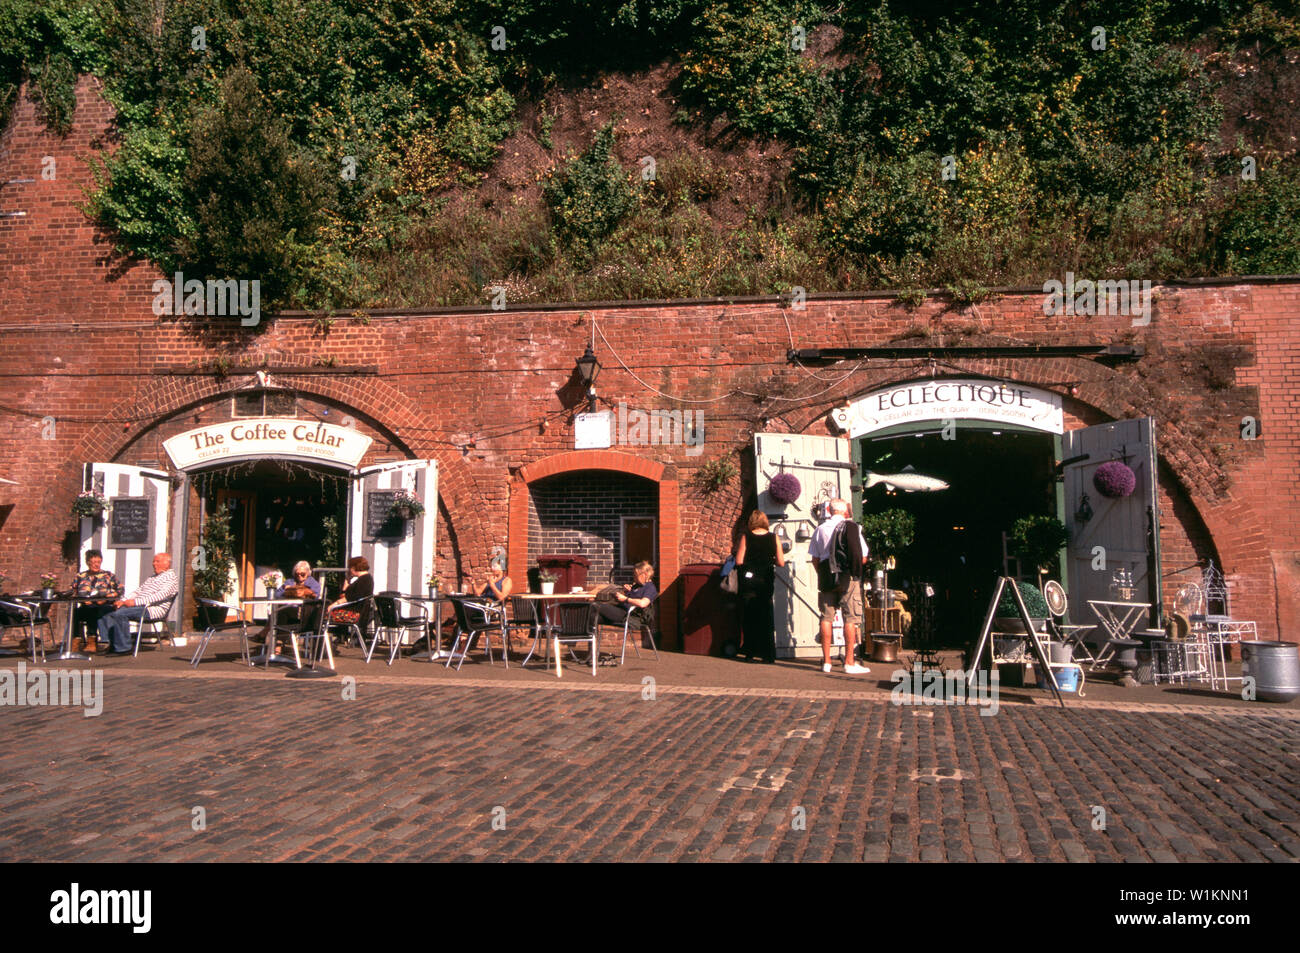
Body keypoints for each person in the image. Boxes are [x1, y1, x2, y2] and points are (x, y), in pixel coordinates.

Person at [808, 499, 870, 675]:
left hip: (827, 577)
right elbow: (863, 556)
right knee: (851, 618)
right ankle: (849, 662)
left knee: (826, 618)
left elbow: (815, 558)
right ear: (845, 512)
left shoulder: (820, 529)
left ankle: (826, 662)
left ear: (828, 509)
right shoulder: (852, 528)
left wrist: (822, 573)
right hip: (847, 577)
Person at [96, 553, 178, 656]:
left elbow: (160, 596)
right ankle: (110, 644)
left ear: (167, 564)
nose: (154, 564)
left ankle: (123, 648)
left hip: (152, 609)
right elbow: (138, 592)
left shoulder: (170, 578)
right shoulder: (153, 577)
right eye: (153, 561)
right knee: (105, 611)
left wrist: (135, 602)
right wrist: (123, 600)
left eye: (157, 561)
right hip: (139, 606)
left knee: (120, 614)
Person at [734, 510, 785, 663]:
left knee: (750, 616)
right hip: (766, 580)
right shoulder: (773, 537)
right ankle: (768, 654)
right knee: (766, 616)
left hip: (749, 581)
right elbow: (781, 562)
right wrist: (770, 561)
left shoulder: (746, 537)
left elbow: (739, 561)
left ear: (751, 522)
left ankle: (750, 652)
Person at [71, 549, 121, 653]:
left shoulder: (108, 575)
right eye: (93, 562)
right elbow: (74, 592)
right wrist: (83, 601)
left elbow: (120, 590)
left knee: (92, 609)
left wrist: (107, 597)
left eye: (98, 562)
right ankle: (75, 641)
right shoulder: (80, 576)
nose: (96, 565)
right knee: (75, 613)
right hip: (86, 605)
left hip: (105, 606)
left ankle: (92, 641)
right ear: (88, 563)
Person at [595, 560, 657, 628]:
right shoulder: (637, 586)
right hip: (621, 611)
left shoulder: (650, 588)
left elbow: (642, 603)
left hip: (629, 616)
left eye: (635, 575)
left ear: (644, 575)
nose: (634, 577)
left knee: (595, 605)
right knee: (592, 616)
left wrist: (625, 599)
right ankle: (588, 636)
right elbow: (624, 599)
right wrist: (625, 591)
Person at [326, 556, 373, 639]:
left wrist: (335, 604)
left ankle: (319, 643)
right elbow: (344, 595)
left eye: (349, 567)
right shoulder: (363, 579)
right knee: (323, 612)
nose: (349, 569)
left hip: (354, 614)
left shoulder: (364, 580)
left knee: (321, 613)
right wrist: (347, 582)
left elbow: (352, 597)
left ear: (354, 567)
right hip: (353, 611)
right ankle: (330, 640)